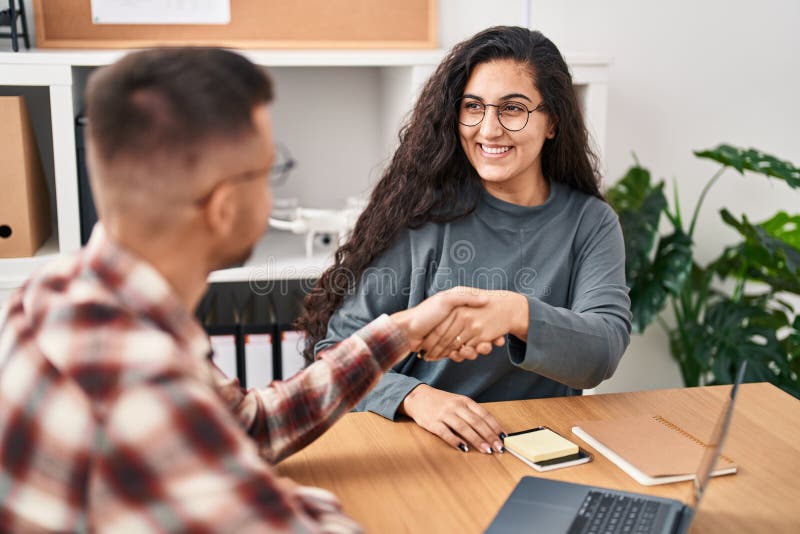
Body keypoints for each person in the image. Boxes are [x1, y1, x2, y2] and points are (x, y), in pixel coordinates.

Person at [0, 48, 497, 532]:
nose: (272, 192)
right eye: (266, 173)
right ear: (222, 208)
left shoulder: (57, 295)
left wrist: (402, 333)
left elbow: (251, 427)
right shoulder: (141, 380)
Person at [299, 26, 632, 456]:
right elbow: (335, 354)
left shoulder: (590, 223)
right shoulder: (423, 216)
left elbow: (602, 350)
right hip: (422, 443)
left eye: (513, 109)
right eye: (473, 107)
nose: (488, 130)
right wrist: (414, 398)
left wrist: (514, 313)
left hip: (533, 449)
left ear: (552, 122)